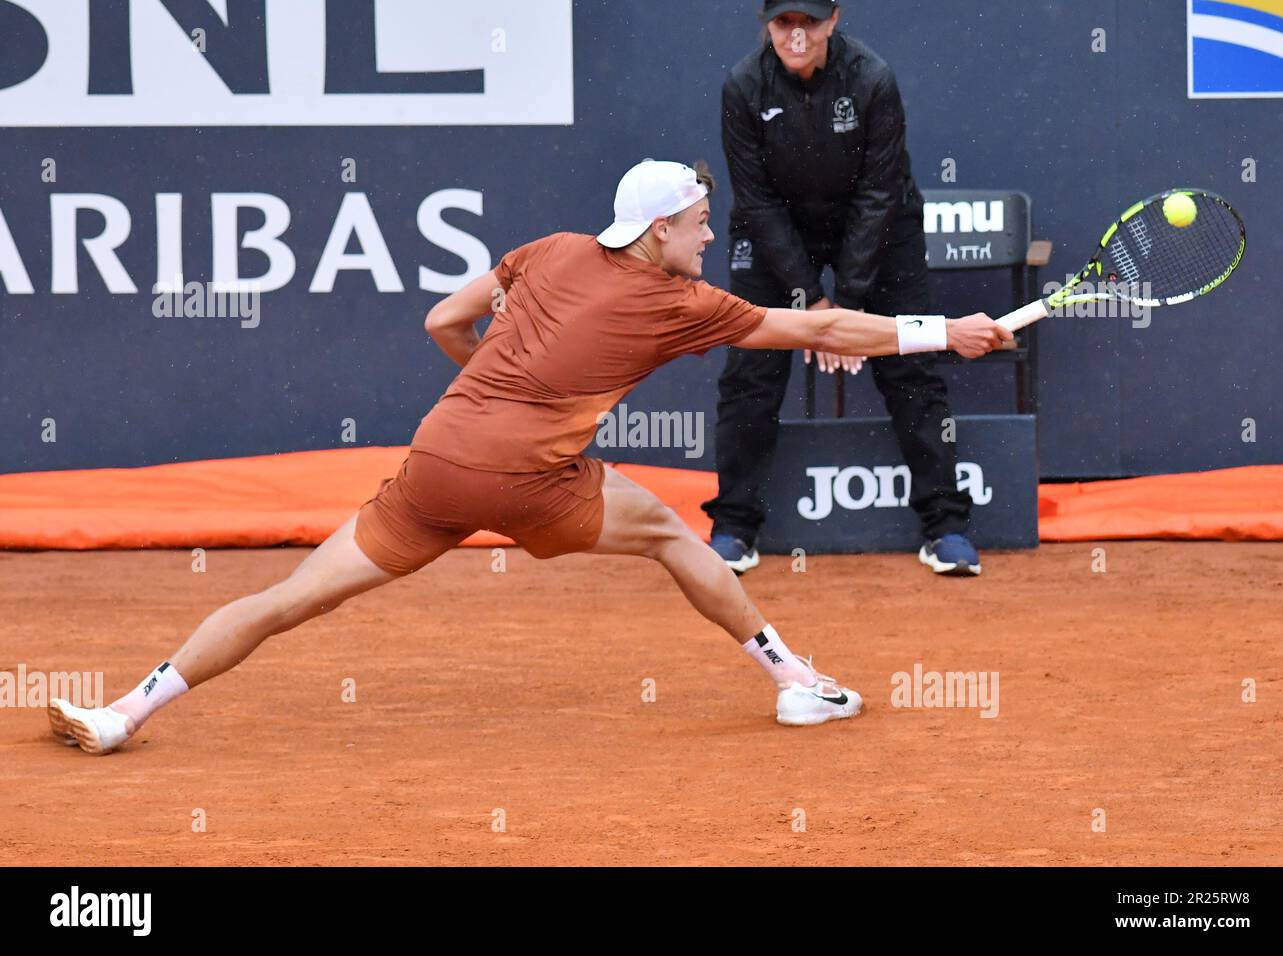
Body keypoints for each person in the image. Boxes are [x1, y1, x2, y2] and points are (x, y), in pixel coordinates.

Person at [48, 159, 1010, 755]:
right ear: (659, 231)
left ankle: (127, 711)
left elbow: (441, 320)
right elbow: (829, 325)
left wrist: (497, 395)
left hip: (433, 459)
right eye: (699, 224)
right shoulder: (683, 305)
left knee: (288, 600)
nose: (712, 237)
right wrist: (947, 331)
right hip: (528, 480)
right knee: (679, 538)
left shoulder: (548, 250)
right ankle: (796, 685)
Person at [704, 0, 982, 577]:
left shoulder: (873, 79)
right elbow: (755, 199)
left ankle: (945, 525)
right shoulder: (742, 87)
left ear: (833, 20)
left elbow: (879, 195)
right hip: (775, 228)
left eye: (809, 22)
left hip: (881, 226)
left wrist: (847, 305)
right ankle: (734, 527)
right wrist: (812, 302)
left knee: (912, 361)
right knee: (750, 370)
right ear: (768, 26)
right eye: (784, 23)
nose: (796, 35)